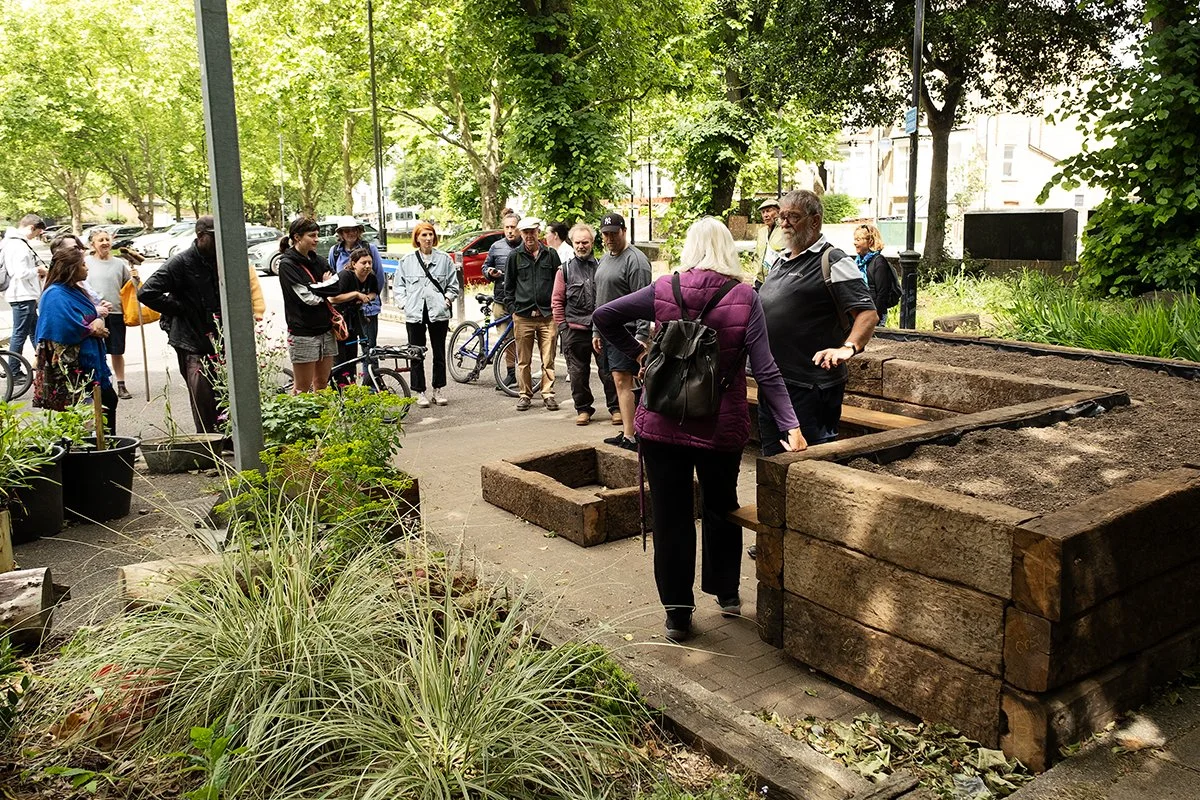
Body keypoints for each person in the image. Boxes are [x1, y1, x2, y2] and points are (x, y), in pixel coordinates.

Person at [593, 217, 803, 641]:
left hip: (661, 423)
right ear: (728, 248)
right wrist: (791, 425)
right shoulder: (745, 296)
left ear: (690, 247)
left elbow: (604, 315)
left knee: (670, 516)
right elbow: (765, 369)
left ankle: (677, 614)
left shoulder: (665, 288)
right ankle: (727, 593)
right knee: (722, 506)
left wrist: (639, 353)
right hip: (719, 427)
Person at [758, 189, 879, 456]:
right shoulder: (780, 261)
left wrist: (848, 348)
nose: (784, 223)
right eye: (781, 216)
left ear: (815, 221)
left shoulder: (833, 260)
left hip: (811, 388)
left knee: (811, 463)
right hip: (775, 385)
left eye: (793, 217)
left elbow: (868, 314)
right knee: (773, 461)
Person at [138, 216, 224, 432]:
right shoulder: (181, 262)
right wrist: (180, 309)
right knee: (203, 396)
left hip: (218, 338)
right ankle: (210, 441)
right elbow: (147, 292)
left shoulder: (220, 258)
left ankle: (229, 439)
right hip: (191, 341)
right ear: (201, 236)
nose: (220, 241)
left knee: (224, 393)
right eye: (214, 236)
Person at [32, 246, 118, 434]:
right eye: (83, 264)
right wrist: (92, 329)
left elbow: (88, 314)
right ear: (71, 269)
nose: (87, 268)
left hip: (91, 360)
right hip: (74, 365)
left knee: (106, 401)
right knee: (83, 411)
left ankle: (106, 444)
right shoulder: (54, 294)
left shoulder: (74, 290)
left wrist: (96, 319)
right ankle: (100, 446)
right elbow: (63, 327)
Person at [594, 212, 652, 450]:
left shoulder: (636, 261)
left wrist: (641, 337)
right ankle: (631, 432)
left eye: (613, 233)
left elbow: (645, 301)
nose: (609, 238)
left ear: (624, 232)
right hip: (608, 333)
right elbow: (600, 297)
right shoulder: (604, 259)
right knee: (618, 381)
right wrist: (596, 331)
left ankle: (631, 436)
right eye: (605, 234)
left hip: (627, 332)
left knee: (623, 380)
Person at [551, 223, 617, 425]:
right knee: (578, 374)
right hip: (574, 330)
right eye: (578, 242)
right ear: (572, 243)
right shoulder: (564, 270)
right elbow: (557, 301)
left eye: (585, 242)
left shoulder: (602, 267)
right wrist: (563, 328)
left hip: (601, 331)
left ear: (592, 242)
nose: (581, 246)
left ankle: (615, 408)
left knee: (608, 371)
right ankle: (583, 409)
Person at [395, 221, 459, 407]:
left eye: (431, 234)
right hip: (415, 312)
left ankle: (438, 389)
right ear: (417, 238)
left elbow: (453, 285)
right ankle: (419, 391)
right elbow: (398, 286)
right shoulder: (407, 261)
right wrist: (405, 304)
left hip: (438, 312)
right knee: (416, 353)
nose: (428, 238)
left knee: (439, 352)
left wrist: (447, 300)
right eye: (424, 235)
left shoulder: (444, 259)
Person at [503, 217, 561, 411]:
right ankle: (525, 395)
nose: (529, 236)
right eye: (525, 232)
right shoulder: (514, 256)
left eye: (532, 232)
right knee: (524, 360)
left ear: (538, 232)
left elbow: (559, 283)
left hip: (547, 316)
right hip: (523, 316)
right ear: (521, 234)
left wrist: (556, 308)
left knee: (548, 359)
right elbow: (508, 287)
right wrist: (513, 309)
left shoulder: (551, 255)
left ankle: (548, 394)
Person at [326, 216, 386, 359]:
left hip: (368, 309)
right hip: (345, 311)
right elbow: (333, 279)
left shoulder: (370, 249)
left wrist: (369, 297)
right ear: (341, 234)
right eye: (346, 231)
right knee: (346, 350)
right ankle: (349, 373)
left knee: (369, 349)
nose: (351, 233)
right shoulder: (335, 251)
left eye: (354, 230)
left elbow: (379, 277)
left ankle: (370, 374)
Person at [84, 230, 133, 399]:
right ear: (93, 244)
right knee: (96, 351)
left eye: (107, 239)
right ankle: (99, 385)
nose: (105, 243)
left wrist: (135, 279)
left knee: (117, 350)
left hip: (116, 312)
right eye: (100, 240)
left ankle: (121, 384)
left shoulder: (119, 264)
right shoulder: (86, 262)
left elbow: (128, 286)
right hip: (93, 314)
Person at [2, 214, 48, 385]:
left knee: (35, 332)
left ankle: (44, 365)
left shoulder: (12, 242)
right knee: (20, 334)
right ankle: (13, 371)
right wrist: (38, 270)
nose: (35, 237)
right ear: (31, 228)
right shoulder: (17, 245)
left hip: (23, 295)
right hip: (22, 295)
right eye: (36, 233)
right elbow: (19, 272)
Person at [327, 247, 379, 387]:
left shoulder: (371, 277)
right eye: (363, 263)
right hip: (338, 322)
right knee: (340, 358)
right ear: (354, 264)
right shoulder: (346, 276)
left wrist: (367, 297)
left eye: (370, 262)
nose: (367, 266)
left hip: (354, 321)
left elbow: (374, 292)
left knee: (352, 357)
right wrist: (356, 294)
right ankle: (339, 387)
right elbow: (332, 298)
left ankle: (351, 385)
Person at [482, 212, 521, 390]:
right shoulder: (496, 247)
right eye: (507, 227)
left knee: (521, 338)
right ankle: (511, 373)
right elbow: (485, 266)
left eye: (513, 227)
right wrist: (489, 272)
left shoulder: (526, 247)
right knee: (506, 339)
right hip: (500, 300)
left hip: (520, 301)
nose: (510, 231)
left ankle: (524, 372)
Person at [853, 223, 894, 326]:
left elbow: (882, 293)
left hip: (874, 314)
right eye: (855, 239)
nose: (854, 243)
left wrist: (875, 317)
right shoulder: (857, 262)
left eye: (858, 239)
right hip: (860, 313)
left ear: (870, 241)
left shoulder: (879, 262)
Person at [754, 198, 787, 286]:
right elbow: (757, 255)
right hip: (760, 281)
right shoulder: (761, 232)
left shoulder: (785, 230)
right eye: (763, 212)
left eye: (768, 211)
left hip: (778, 281)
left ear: (778, 211)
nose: (765, 215)